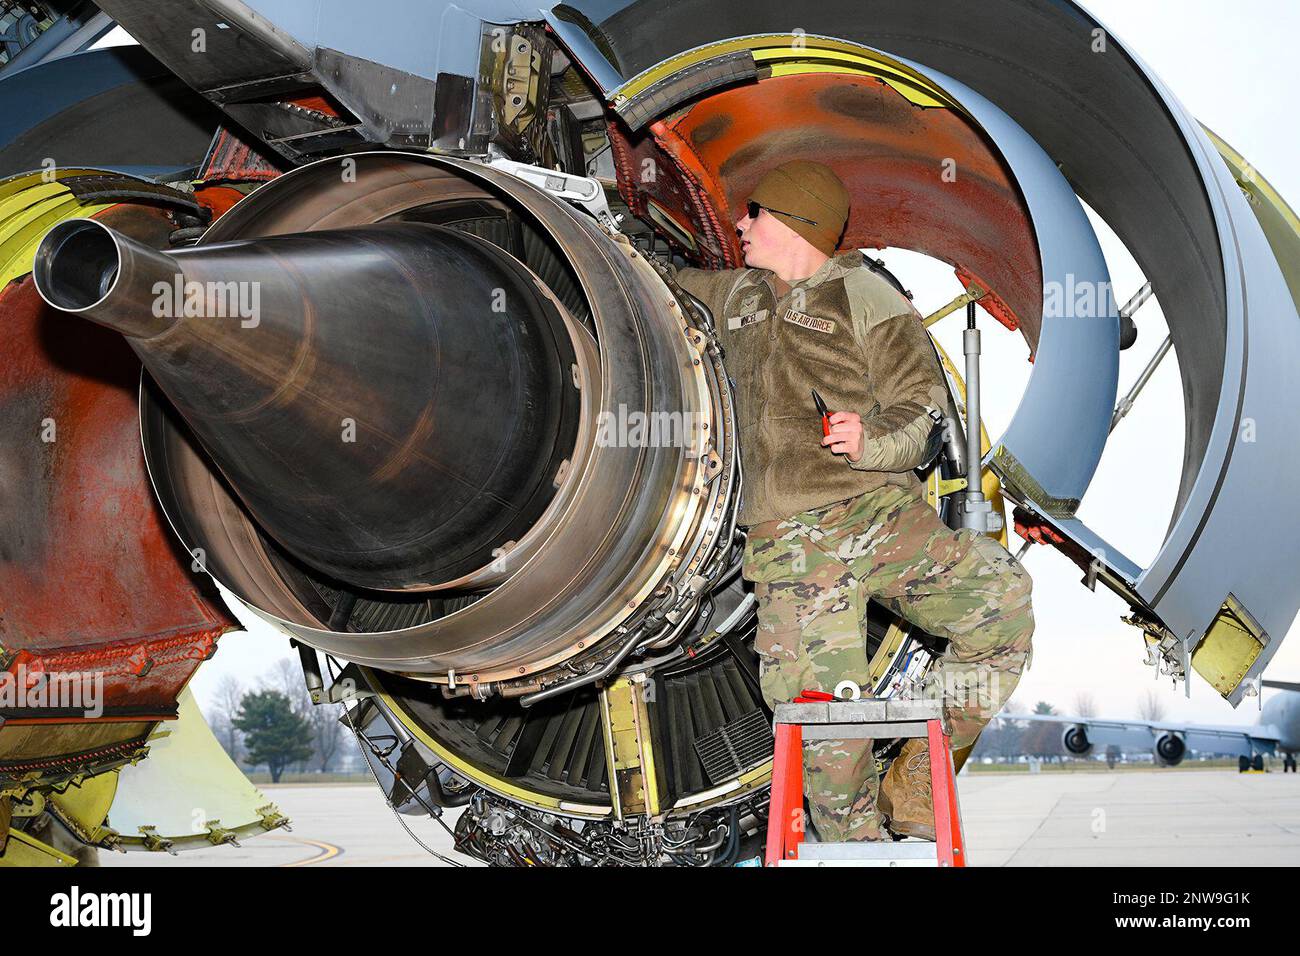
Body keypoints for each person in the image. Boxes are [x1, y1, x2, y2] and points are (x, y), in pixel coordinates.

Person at [662, 159, 1035, 842]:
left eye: (755, 212)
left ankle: (922, 764)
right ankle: (856, 846)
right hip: (789, 545)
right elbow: (660, 280)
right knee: (828, 741)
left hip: (878, 516)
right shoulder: (736, 295)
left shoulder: (866, 298)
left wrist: (871, 441)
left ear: (795, 221)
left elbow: (921, 409)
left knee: (1002, 605)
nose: (741, 223)